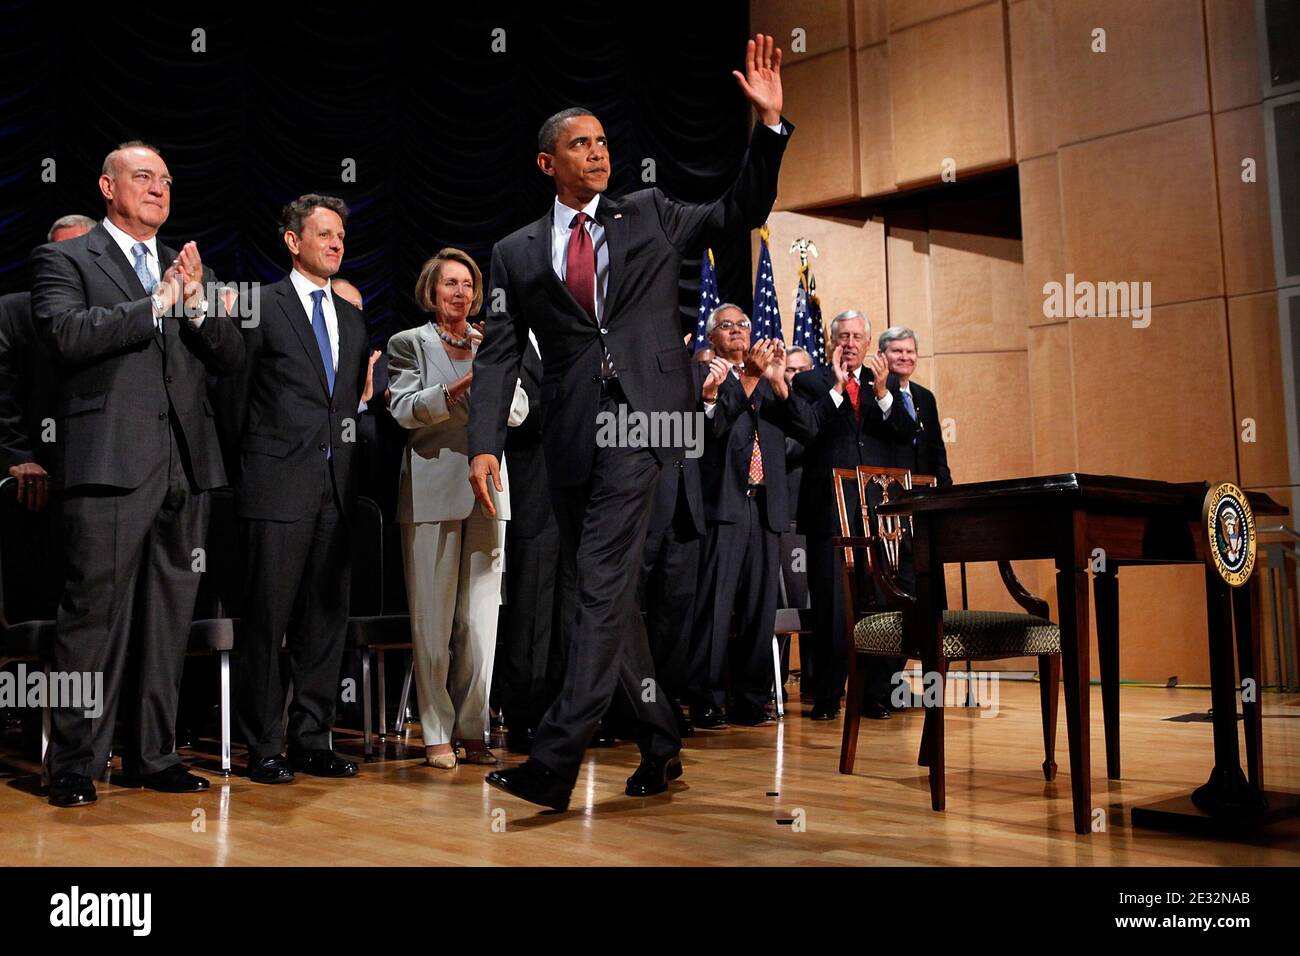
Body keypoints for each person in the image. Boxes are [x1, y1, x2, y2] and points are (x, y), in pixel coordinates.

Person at [468, 34, 792, 812]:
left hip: (648, 426)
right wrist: (483, 444)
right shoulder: (515, 253)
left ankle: (554, 759)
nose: (597, 153)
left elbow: (737, 210)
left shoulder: (649, 211)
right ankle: (660, 738)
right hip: (573, 432)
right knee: (605, 592)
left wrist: (769, 131)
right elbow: (500, 352)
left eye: (603, 142)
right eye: (580, 145)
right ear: (548, 162)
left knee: (599, 583)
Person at [30, 142, 244, 806]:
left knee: (167, 617)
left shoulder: (186, 270)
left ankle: (152, 755)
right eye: (143, 177)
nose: (158, 188)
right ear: (106, 185)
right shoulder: (65, 258)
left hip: (184, 465)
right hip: (110, 462)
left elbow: (232, 358)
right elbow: (67, 334)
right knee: (91, 619)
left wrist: (199, 303)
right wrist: (155, 302)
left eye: (166, 180)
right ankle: (73, 762)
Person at [231, 194, 380, 785]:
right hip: (273, 486)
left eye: (341, 235)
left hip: (336, 489)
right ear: (293, 242)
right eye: (324, 234)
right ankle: (263, 745)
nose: (337, 244)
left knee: (325, 622)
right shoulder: (260, 304)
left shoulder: (352, 316)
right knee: (267, 622)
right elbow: (233, 397)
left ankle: (311, 738)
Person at [388, 248, 528, 768]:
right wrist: (458, 386)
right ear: (432, 290)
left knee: (480, 621)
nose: (460, 293)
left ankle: (474, 726)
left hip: (490, 492)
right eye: (450, 284)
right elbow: (403, 409)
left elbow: (517, 412)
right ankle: (434, 730)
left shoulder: (492, 342)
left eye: (468, 285)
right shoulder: (409, 343)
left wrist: (491, 365)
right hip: (430, 492)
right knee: (433, 621)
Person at [787, 309, 913, 721]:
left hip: (876, 514)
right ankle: (826, 695)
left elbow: (904, 436)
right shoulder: (810, 383)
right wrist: (838, 391)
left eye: (857, 336)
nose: (850, 343)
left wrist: (880, 393)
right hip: (829, 511)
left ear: (867, 342)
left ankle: (875, 694)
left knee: (878, 605)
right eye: (843, 336)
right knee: (832, 608)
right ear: (831, 340)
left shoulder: (885, 384)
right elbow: (806, 431)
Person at [689, 305, 805, 727]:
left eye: (743, 325)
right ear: (712, 337)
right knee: (716, 608)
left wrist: (777, 384)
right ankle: (705, 698)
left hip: (767, 506)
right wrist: (748, 377)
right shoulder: (705, 375)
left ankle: (752, 699)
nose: (737, 330)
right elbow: (707, 433)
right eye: (727, 325)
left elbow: (809, 432)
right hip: (724, 505)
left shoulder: (771, 377)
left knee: (760, 610)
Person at [1, 215, 96, 510]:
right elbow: (2, 393)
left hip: (103, 473)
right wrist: (18, 457)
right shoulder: (14, 312)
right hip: (34, 474)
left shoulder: (119, 316)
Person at [876, 326, 950, 486]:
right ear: (881, 355)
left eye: (910, 352)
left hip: (924, 490)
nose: (904, 357)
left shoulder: (925, 397)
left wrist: (946, 490)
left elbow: (936, 449)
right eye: (897, 351)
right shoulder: (872, 393)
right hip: (888, 489)